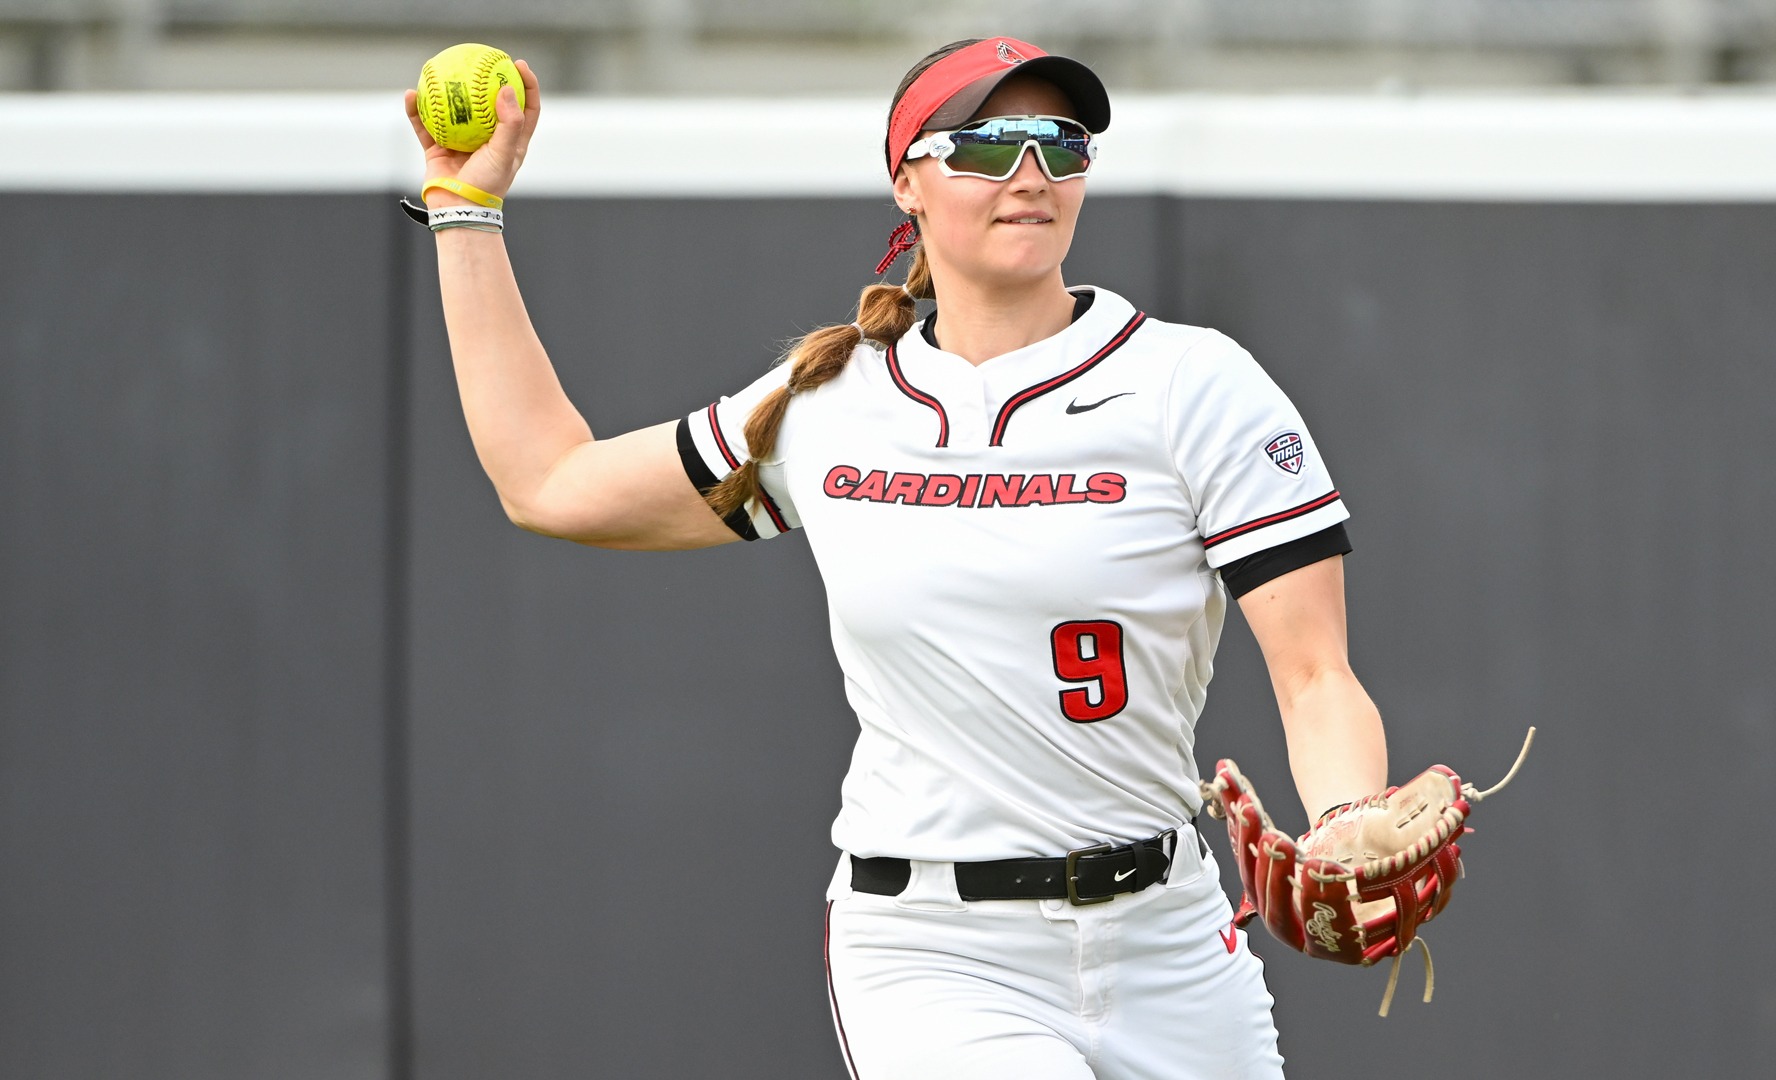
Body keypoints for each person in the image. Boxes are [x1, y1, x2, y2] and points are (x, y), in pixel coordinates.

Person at [404, 35, 1388, 1080]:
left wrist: (1347, 819)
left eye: (1062, 143)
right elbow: (548, 481)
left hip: (1173, 939)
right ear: (906, 180)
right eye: (988, 143)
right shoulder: (831, 404)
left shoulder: (1197, 385)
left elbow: (1316, 675)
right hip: (938, 949)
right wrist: (467, 213)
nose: (1030, 173)